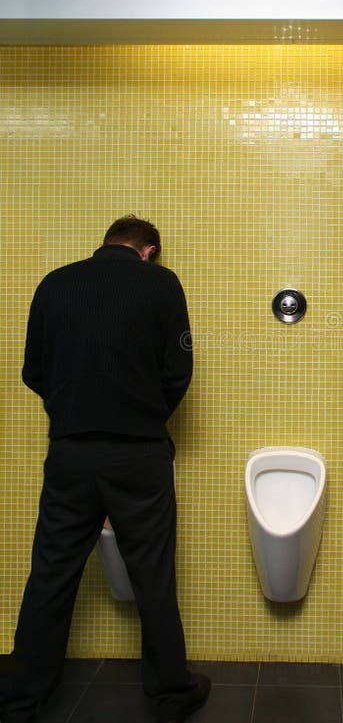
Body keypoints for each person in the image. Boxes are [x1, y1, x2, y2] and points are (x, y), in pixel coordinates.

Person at [0, 216, 210, 723]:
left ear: (107, 242)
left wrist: (75, 411)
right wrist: (143, 414)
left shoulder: (56, 282)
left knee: (51, 572)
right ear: (149, 250)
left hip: (71, 451)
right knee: (152, 574)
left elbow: (34, 370)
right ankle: (170, 694)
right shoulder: (160, 283)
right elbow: (178, 370)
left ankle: (21, 698)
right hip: (138, 453)